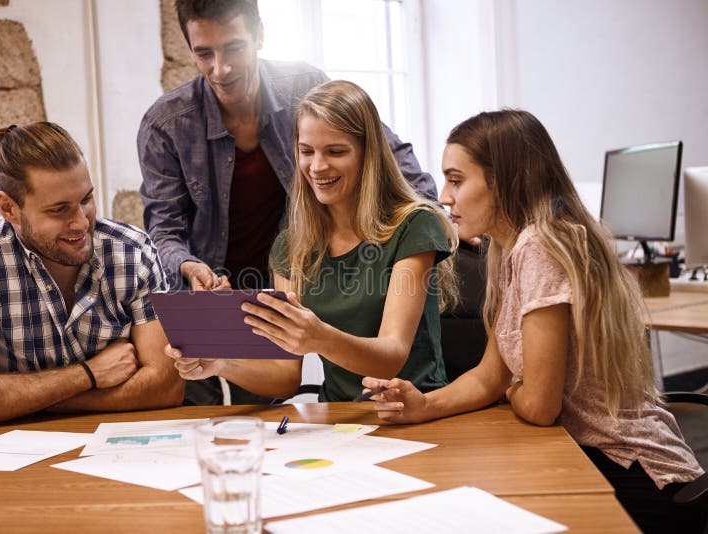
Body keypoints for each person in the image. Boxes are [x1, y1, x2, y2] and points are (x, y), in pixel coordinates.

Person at [363, 110, 706, 533]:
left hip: (637, 474)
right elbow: (492, 376)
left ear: (503, 180)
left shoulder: (540, 247)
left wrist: (515, 387)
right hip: (593, 456)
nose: (446, 197)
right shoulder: (508, 249)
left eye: (456, 179)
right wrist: (424, 406)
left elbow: (541, 406)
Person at [137, 0, 436, 405]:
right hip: (230, 288)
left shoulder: (304, 86)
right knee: (218, 416)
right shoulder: (167, 124)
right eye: (203, 53)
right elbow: (164, 230)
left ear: (259, 33)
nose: (220, 69)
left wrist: (434, 218)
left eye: (234, 48)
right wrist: (191, 270)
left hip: (306, 277)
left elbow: (390, 154)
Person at [167, 79, 459, 402]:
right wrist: (221, 363)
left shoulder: (415, 225)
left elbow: (392, 355)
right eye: (306, 151)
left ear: (369, 154)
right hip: (341, 423)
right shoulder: (291, 246)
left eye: (335, 151)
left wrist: (318, 337)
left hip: (417, 413)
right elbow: (285, 376)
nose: (317, 166)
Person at [0, 122, 183, 429]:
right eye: (59, 209)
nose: (80, 223)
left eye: (86, 200)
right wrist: (88, 375)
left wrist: (34, 401)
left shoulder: (133, 251)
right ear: (8, 208)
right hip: (14, 464)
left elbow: (166, 386)